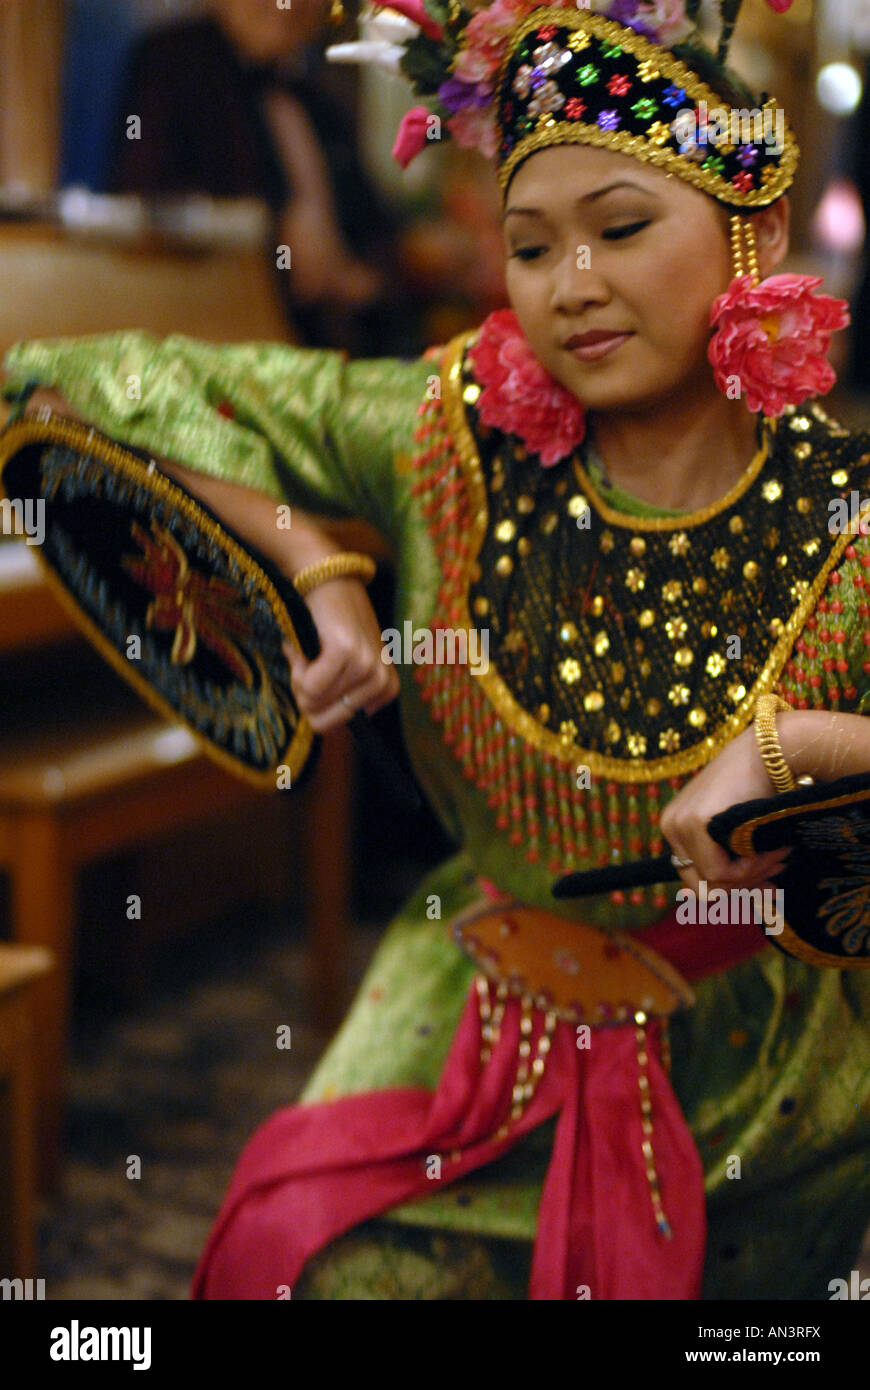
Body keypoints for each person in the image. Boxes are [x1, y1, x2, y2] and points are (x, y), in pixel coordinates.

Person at [4, 0, 869, 1300]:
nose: (571, 284)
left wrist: (792, 744)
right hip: (483, 995)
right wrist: (313, 563)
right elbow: (63, 378)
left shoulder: (841, 514)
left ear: (754, 227)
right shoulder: (451, 437)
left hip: (763, 1063)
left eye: (621, 228)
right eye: (530, 246)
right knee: (313, 1266)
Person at [110, 0, 423, 355]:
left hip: (337, 342)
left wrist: (406, 258)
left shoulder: (318, 100)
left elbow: (372, 225)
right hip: (213, 337)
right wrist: (272, 232)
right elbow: (144, 201)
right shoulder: (172, 63)